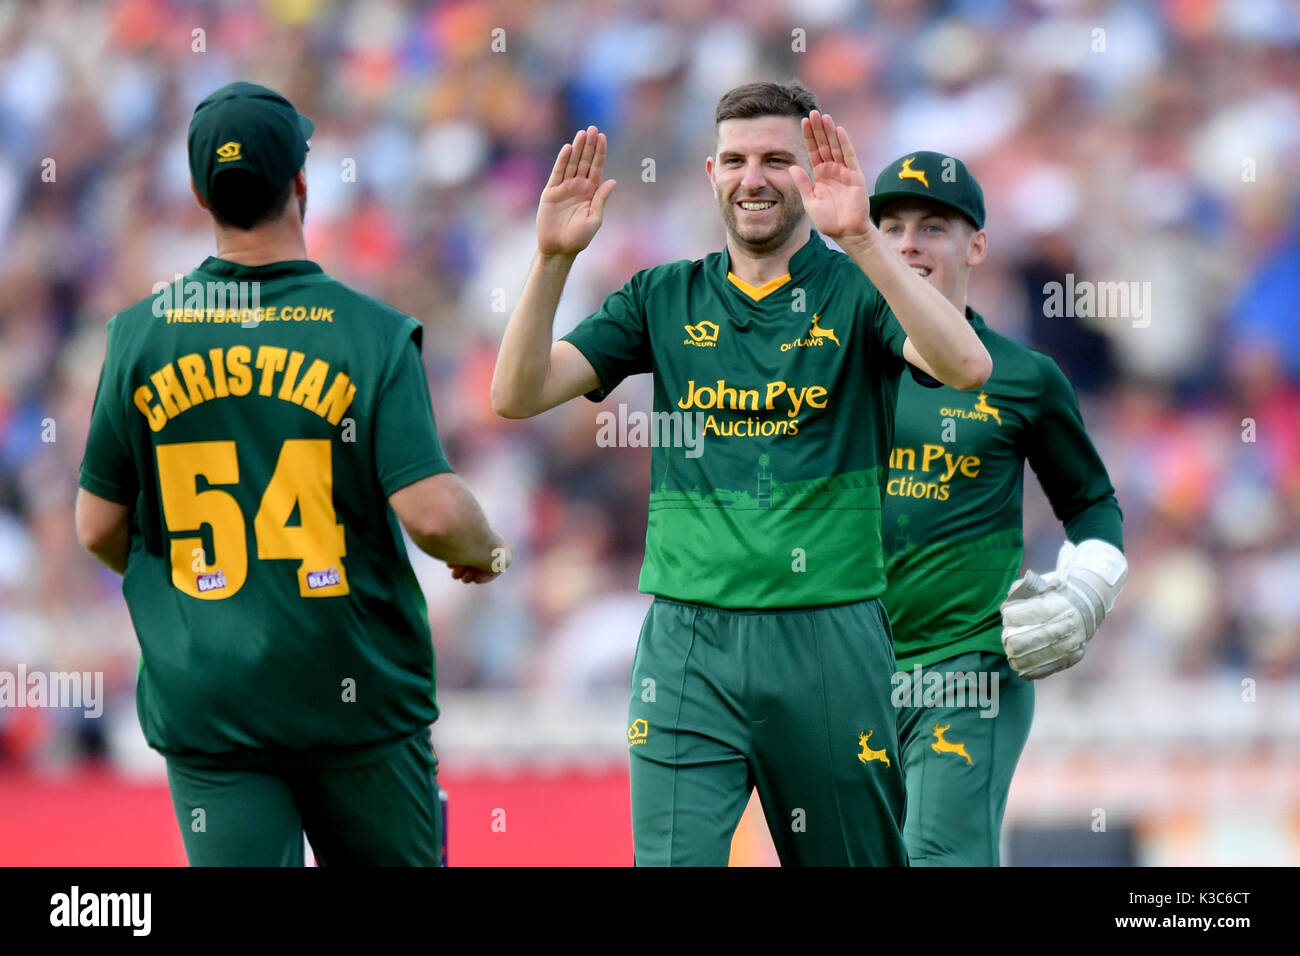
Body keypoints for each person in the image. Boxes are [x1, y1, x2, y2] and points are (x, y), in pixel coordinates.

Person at [492, 82, 991, 866]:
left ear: (812, 177)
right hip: (688, 644)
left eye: (776, 160)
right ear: (711, 172)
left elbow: (965, 365)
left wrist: (864, 239)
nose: (752, 178)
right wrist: (552, 258)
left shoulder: (859, 289)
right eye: (735, 160)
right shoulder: (663, 295)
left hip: (830, 636)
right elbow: (516, 393)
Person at [74, 81, 510, 866]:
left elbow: (97, 525)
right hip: (357, 697)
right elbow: (436, 515)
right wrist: (487, 552)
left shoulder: (137, 338)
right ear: (301, 186)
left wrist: (190, 587)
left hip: (214, 703)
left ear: (201, 194)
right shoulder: (367, 334)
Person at [873, 151, 1128, 866]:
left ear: (976, 245)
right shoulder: (832, 363)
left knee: (936, 858)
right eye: (890, 227)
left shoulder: (1023, 376)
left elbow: (1092, 502)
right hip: (846, 669)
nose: (908, 245)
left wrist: (1086, 588)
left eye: (933, 227)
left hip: (968, 666)